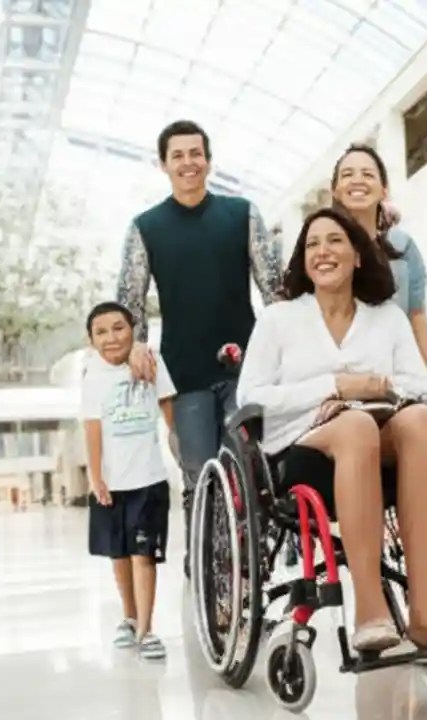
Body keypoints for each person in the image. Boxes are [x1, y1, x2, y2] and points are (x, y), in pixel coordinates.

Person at [237, 208, 427, 655]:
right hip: (303, 450)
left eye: (335, 241)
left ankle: (424, 613)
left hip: (380, 437)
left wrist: (372, 388)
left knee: (419, 420)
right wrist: (334, 388)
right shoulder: (280, 320)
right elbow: (250, 396)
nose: (323, 251)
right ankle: (370, 612)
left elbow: (418, 384)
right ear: (302, 260)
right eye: (312, 244)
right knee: (354, 426)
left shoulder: (386, 319)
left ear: (357, 256)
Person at [115, 120, 283, 571]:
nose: (188, 163)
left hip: (244, 368)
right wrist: (137, 346)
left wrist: (289, 347)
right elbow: (130, 300)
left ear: (208, 159)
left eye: (196, 153)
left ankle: (254, 560)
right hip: (183, 375)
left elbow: (275, 288)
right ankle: (209, 564)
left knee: (246, 466)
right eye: (178, 155)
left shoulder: (242, 214)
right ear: (164, 164)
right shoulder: (145, 227)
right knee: (198, 472)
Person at [81, 301, 177, 660]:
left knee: (143, 554)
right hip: (110, 484)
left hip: (148, 481)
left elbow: (169, 408)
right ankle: (128, 616)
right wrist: (95, 477)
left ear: (133, 329)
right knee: (118, 555)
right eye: (101, 332)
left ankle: (147, 629)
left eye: (118, 328)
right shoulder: (92, 376)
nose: (111, 337)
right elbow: (91, 429)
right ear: (91, 340)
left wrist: (178, 447)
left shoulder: (150, 362)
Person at [331, 144, 427, 430]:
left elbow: (418, 320)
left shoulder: (404, 248)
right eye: (348, 174)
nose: (358, 180)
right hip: (344, 392)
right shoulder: (323, 249)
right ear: (334, 190)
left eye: (368, 174)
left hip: (401, 388)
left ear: (384, 189)